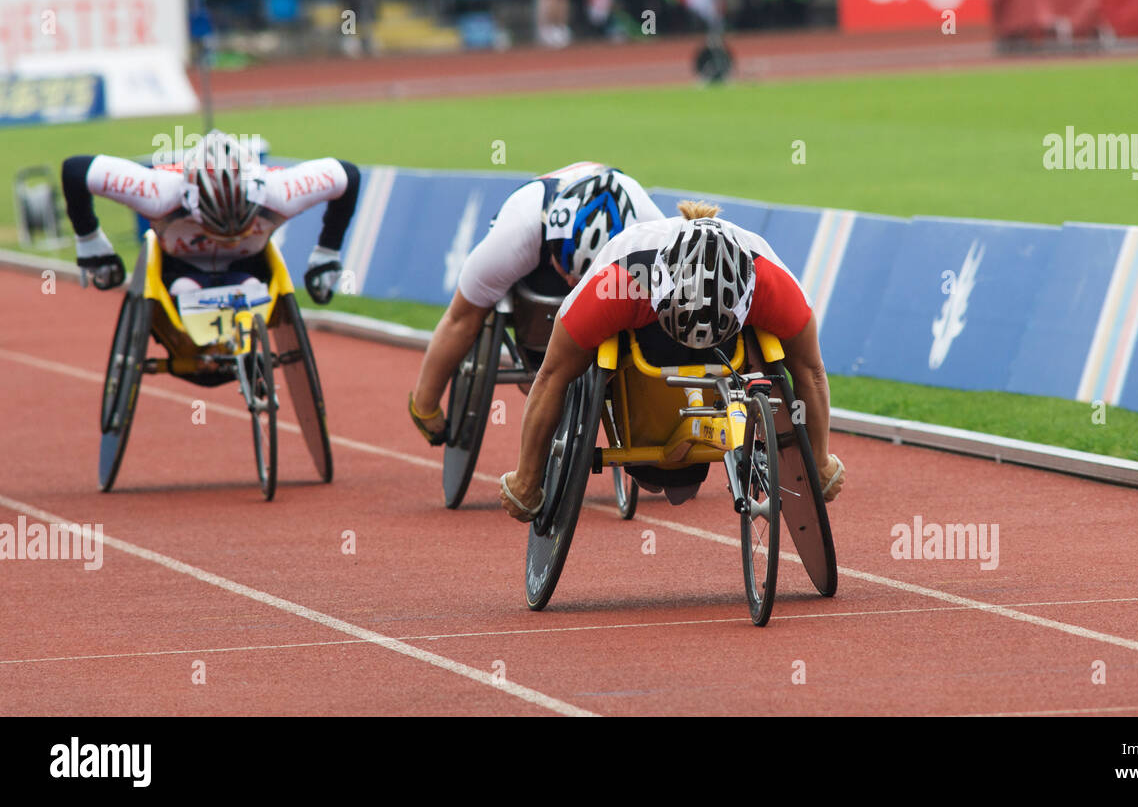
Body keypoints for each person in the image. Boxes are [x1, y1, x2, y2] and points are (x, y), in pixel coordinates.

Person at [498, 201, 846, 521]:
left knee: (774, 357)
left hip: (727, 344)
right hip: (645, 333)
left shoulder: (771, 285)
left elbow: (809, 372)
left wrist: (818, 461)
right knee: (570, 363)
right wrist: (527, 481)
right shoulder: (617, 284)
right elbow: (553, 376)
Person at [409, 162, 663, 445]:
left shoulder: (648, 227)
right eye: (567, 271)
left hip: (614, 274)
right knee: (492, 320)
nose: (571, 282)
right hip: (537, 264)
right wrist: (425, 405)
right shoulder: (517, 231)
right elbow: (460, 318)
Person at [61, 131, 360, 304]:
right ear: (189, 201)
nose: (228, 235)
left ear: (257, 196)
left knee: (255, 290)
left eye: (239, 224)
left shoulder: (280, 192)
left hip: (249, 266)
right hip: (178, 268)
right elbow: (75, 169)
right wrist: (90, 242)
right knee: (182, 291)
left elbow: (348, 175)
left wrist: (326, 253)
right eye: (215, 226)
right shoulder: (158, 192)